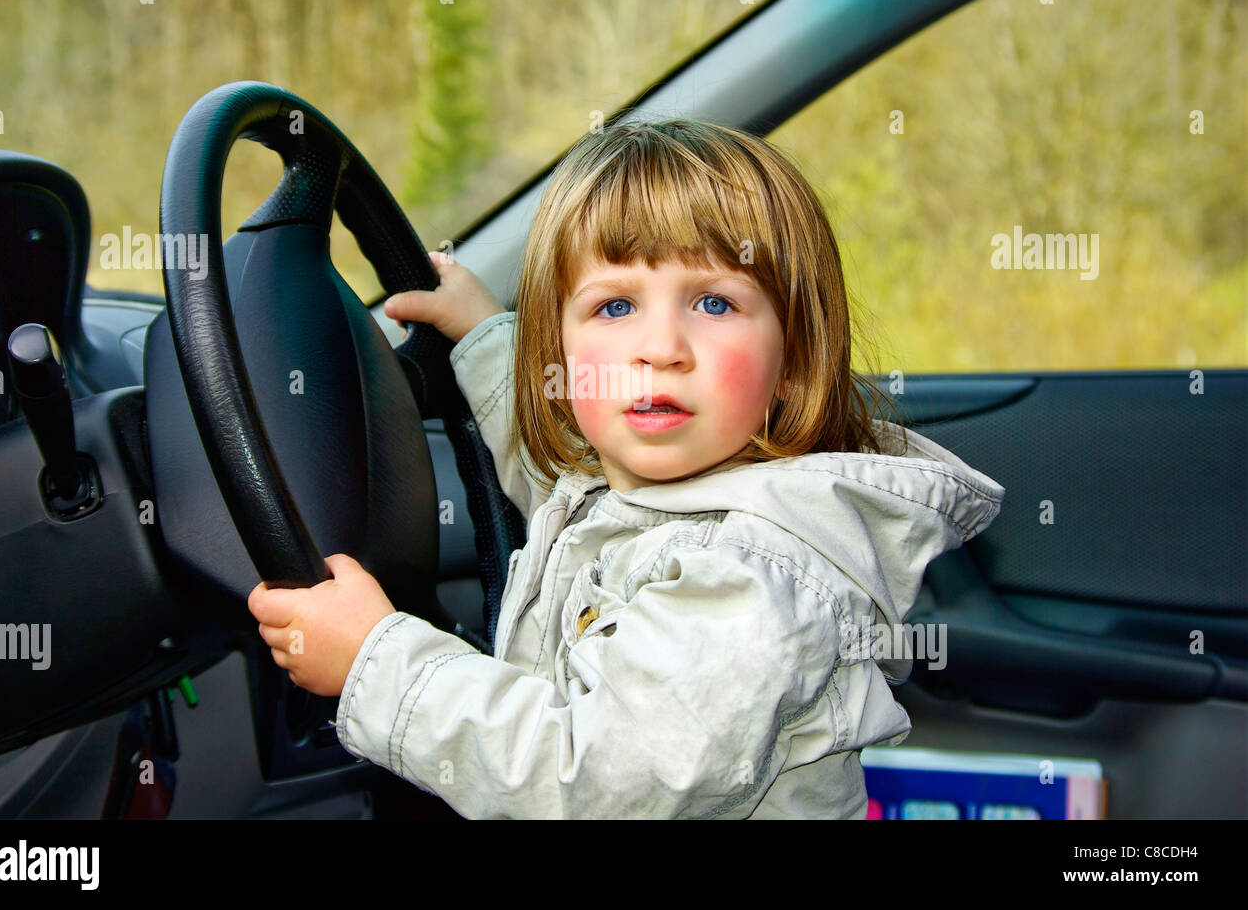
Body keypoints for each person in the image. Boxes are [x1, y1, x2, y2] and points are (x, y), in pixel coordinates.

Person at [247, 117, 1006, 818]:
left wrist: (377, 661)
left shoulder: (751, 578)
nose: (660, 347)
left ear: (792, 365)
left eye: (712, 303)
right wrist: (482, 332)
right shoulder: (648, 491)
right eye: (614, 308)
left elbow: (591, 780)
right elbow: (555, 480)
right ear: (561, 353)